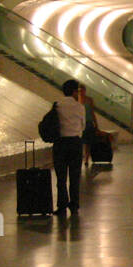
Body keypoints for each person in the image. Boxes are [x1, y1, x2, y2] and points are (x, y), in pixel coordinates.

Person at [52, 79, 86, 216]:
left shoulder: (57, 105)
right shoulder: (80, 107)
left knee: (61, 177)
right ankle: (74, 204)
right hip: (75, 143)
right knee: (74, 175)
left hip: (60, 143)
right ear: (73, 92)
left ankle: (61, 206)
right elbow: (82, 126)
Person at [79, 87, 98, 168]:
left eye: (82, 90)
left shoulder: (89, 100)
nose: (81, 92)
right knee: (81, 142)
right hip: (80, 123)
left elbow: (92, 112)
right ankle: (83, 158)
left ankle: (86, 158)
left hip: (88, 122)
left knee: (87, 142)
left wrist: (95, 123)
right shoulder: (77, 100)